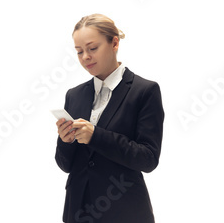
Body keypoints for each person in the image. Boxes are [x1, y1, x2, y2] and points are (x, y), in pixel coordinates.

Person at [55, 14, 164, 223]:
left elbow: (148, 159)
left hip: (125, 212)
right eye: (79, 52)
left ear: (114, 43)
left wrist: (96, 136)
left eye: (92, 48)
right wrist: (66, 140)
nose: (85, 56)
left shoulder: (145, 91)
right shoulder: (74, 95)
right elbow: (65, 165)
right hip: (77, 211)